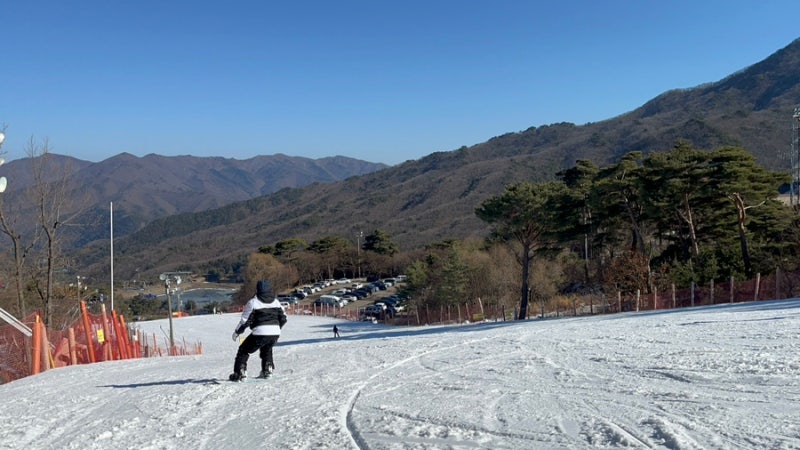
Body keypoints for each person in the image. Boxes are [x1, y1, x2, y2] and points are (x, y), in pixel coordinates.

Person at [229, 280, 287, 381]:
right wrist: (276, 328)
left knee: (243, 350)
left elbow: (245, 321)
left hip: (260, 332)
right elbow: (284, 318)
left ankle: (240, 372)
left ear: (258, 290)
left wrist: (237, 332)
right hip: (275, 332)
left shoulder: (253, 302)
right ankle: (267, 370)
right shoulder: (276, 302)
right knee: (267, 348)